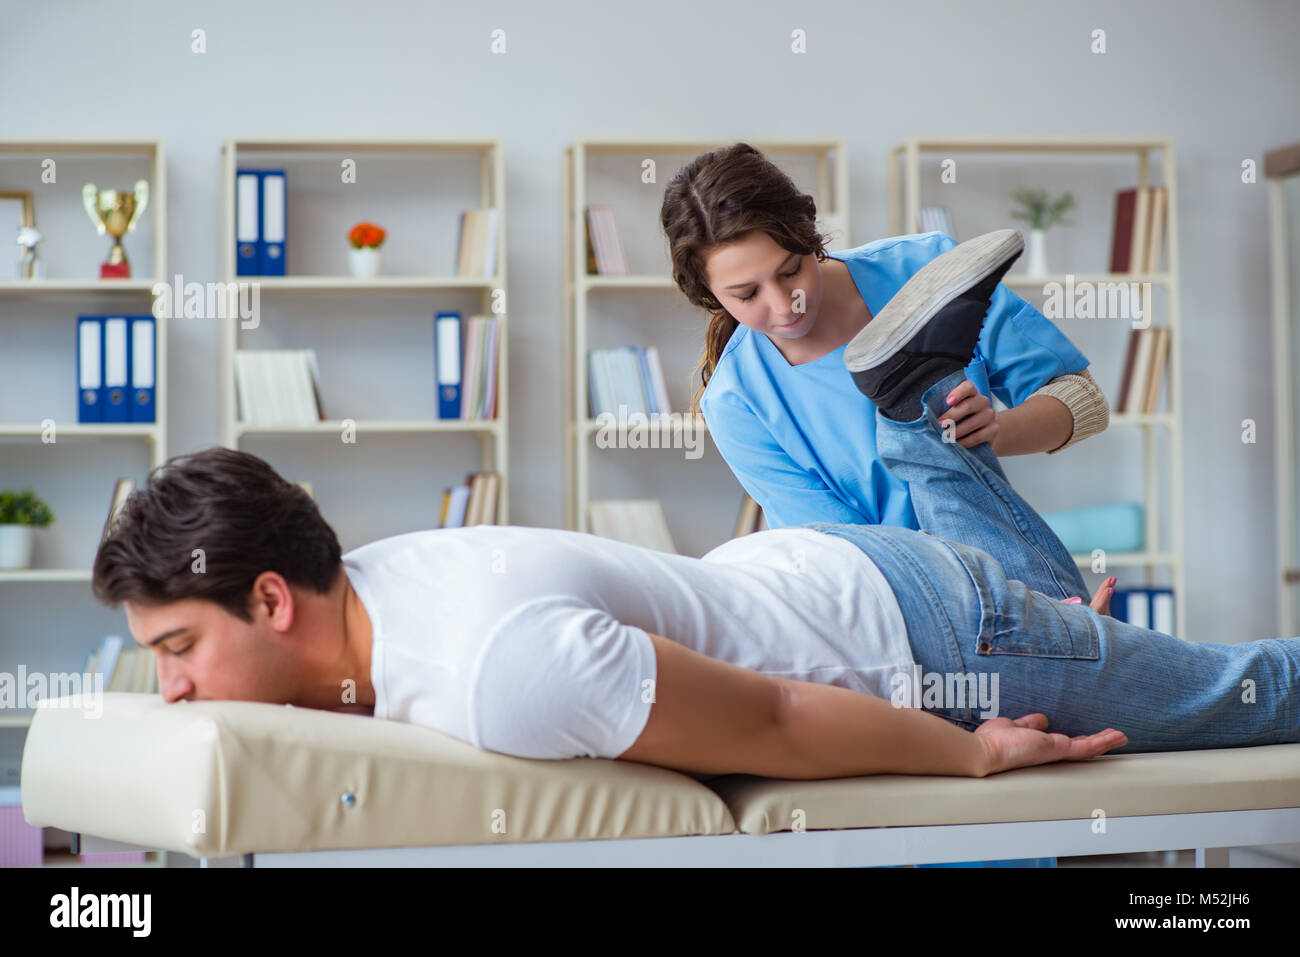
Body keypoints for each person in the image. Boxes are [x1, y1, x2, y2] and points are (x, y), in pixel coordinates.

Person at [91, 251, 1300, 782]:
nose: (174, 692)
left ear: (267, 596)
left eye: (179, 651)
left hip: (927, 642)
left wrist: (970, 750)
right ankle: (912, 405)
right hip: (827, 568)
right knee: (1026, 577)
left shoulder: (497, 667)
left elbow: (774, 716)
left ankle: (919, 408)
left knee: (1245, 696)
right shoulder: (375, 571)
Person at [659, 142, 1110, 603]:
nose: (783, 305)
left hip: (1021, 576)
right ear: (710, 295)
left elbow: (1084, 402)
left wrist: (995, 432)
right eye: (747, 294)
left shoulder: (926, 272)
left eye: (791, 270)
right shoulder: (737, 403)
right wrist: (1017, 627)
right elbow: (849, 566)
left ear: (808, 235)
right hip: (911, 617)